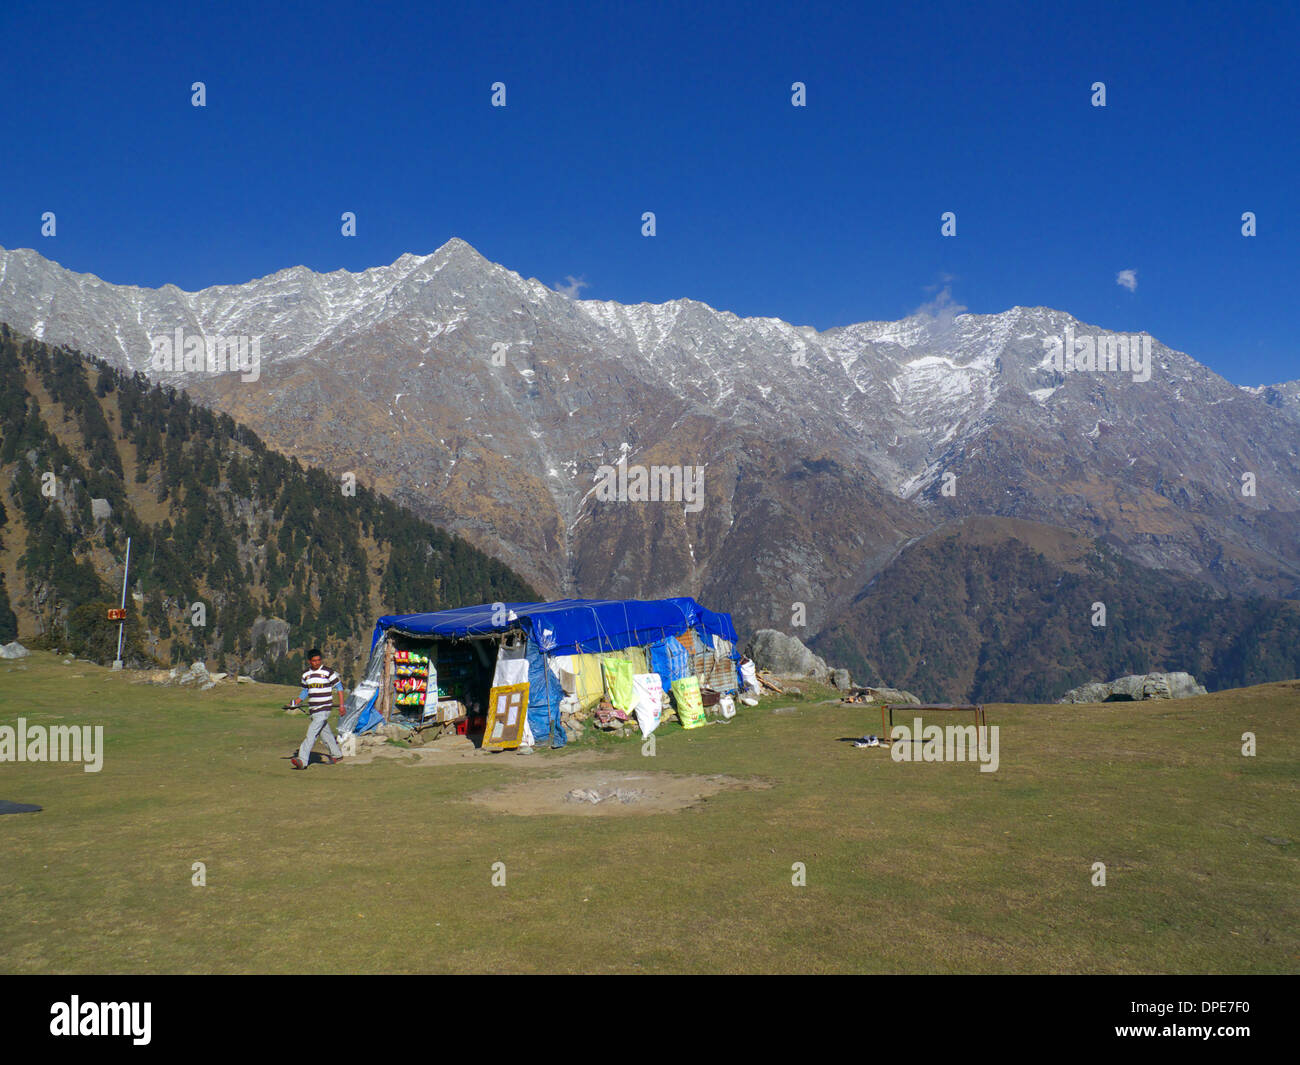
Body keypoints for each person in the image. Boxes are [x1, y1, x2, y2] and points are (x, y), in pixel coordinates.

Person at [290, 648, 344, 769]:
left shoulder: (328, 672)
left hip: (324, 709)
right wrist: (295, 702)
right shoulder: (305, 675)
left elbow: (339, 688)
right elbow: (305, 691)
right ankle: (337, 755)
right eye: (314, 661)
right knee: (325, 734)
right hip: (313, 709)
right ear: (309, 661)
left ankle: (302, 760)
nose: (317, 663)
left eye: (319, 660)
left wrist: (341, 705)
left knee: (311, 734)